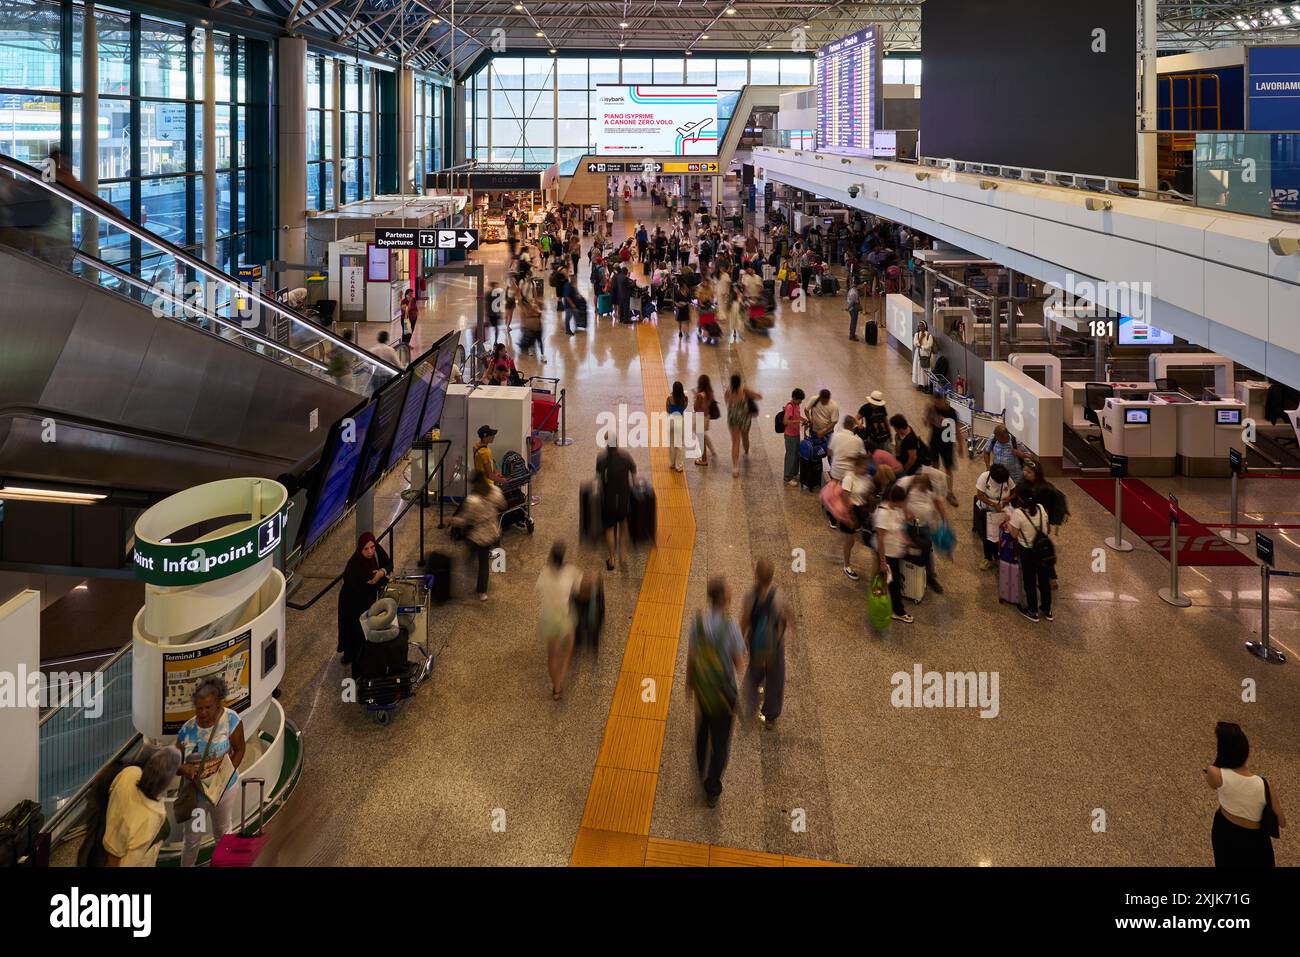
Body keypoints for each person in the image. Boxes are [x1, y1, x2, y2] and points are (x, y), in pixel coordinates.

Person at [687, 577, 746, 806]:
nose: (732, 595)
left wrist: (689, 685)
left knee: (703, 729)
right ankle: (712, 788)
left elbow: (692, 656)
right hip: (723, 694)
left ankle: (701, 765)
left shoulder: (698, 622)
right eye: (729, 592)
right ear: (722, 598)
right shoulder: (731, 627)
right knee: (721, 741)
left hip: (704, 690)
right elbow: (739, 664)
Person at [177, 677, 245, 867]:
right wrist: (185, 768)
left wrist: (225, 776)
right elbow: (174, 764)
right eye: (199, 708)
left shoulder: (231, 721)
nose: (203, 713)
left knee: (223, 834)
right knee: (192, 839)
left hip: (222, 792)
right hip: (197, 797)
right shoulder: (187, 730)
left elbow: (240, 749)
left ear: (218, 704)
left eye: (208, 707)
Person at [1203, 722, 1285, 867]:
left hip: (1224, 830)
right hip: (1255, 840)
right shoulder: (1265, 785)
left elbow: (1212, 785)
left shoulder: (1215, 773)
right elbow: (1282, 822)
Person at [101, 747, 179, 867]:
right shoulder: (149, 817)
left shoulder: (130, 773)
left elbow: (111, 791)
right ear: (166, 782)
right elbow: (114, 855)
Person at [739, 559, 793, 730]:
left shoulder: (749, 596)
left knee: (754, 673)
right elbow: (784, 620)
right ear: (772, 577)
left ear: (755, 575)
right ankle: (770, 717)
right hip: (774, 645)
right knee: (775, 678)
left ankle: (750, 707)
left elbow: (744, 621)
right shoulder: (778, 595)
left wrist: (740, 642)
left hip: (756, 642)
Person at [337, 532, 392, 670]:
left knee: (360, 628)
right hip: (352, 600)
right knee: (353, 628)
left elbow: (388, 564)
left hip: (366, 597)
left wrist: (382, 572)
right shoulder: (355, 565)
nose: (370, 551)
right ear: (360, 549)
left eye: (372, 547)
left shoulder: (377, 551)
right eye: (366, 549)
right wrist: (384, 576)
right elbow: (371, 582)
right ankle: (355, 659)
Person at [537, 541, 582, 700]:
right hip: (564, 615)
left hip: (548, 616)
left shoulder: (545, 572)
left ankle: (556, 687)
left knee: (552, 654)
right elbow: (577, 589)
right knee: (569, 645)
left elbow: (540, 589)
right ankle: (561, 678)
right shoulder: (571, 571)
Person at [451, 471, 506, 600]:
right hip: (493, 531)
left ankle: (474, 578)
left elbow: (464, 521)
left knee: (480, 560)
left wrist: (450, 520)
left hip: (478, 536)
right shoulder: (495, 491)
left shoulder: (472, 500)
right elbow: (503, 504)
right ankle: (482, 592)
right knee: (483, 562)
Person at [1005, 490, 1053, 622]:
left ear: (1020, 499)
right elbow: (1048, 529)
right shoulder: (1041, 508)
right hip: (1043, 549)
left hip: (1027, 551)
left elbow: (1014, 535)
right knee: (1044, 580)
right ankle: (1047, 609)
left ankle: (1033, 611)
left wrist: (1009, 523)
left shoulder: (1018, 513)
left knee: (1030, 580)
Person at [874, 485, 913, 624]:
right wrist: (883, 562)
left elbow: (904, 522)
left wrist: (906, 542)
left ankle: (886, 603)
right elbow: (880, 539)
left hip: (896, 551)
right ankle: (898, 611)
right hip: (888, 554)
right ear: (897, 500)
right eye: (903, 501)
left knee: (892, 582)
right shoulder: (883, 514)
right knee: (893, 583)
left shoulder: (895, 509)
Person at [597, 438, 637, 571]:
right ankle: (623, 555)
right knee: (624, 524)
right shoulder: (625, 457)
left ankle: (612, 558)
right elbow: (634, 475)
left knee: (609, 528)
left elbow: (598, 481)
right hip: (623, 499)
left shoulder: (601, 459)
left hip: (608, 500)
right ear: (617, 446)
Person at [926, 392, 963, 506]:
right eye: (934, 402)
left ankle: (950, 493)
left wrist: (960, 445)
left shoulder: (951, 412)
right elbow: (927, 423)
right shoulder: (932, 409)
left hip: (947, 443)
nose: (936, 404)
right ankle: (935, 489)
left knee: (948, 468)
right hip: (934, 441)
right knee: (935, 465)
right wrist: (929, 415)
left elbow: (957, 429)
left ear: (943, 400)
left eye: (938, 402)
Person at [974, 463, 1013, 569]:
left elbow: (1015, 491)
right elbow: (979, 495)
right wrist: (993, 504)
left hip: (1003, 512)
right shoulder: (984, 477)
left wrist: (1008, 499)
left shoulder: (1006, 477)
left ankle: (998, 556)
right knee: (988, 536)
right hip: (987, 511)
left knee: (1000, 536)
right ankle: (988, 558)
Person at [724, 373, 761, 478]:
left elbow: (727, 403)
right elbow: (757, 396)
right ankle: (746, 450)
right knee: (745, 437)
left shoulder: (728, 391)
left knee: (735, 442)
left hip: (732, 417)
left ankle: (735, 467)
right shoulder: (743, 390)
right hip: (744, 416)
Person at [828, 415, 867, 484]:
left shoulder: (835, 436)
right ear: (853, 426)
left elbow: (829, 453)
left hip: (835, 473)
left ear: (843, 424)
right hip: (850, 475)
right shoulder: (858, 440)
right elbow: (863, 457)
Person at [693, 374, 719, 467]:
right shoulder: (710, 392)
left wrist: (696, 398)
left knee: (701, 439)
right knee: (703, 435)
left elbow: (696, 408)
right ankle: (712, 450)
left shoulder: (701, 395)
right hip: (707, 417)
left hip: (701, 418)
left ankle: (703, 460)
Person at [781, 388, 805, 486]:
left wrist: (803, 419)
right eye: (799, 400)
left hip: (796, 434)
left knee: (796, 455)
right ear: (794, 398)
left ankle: (794, 473)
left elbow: (797, 417)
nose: (800, 402)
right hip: (790, 435)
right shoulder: (790, 406)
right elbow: (785, 421)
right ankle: (787, 477)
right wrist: (797, 421)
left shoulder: (797, 405)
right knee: (790, 456)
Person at [666, 381, 689, 472]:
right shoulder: (684, 399)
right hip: (680, 419)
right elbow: (685, 407)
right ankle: (679, 466)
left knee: (671, 443)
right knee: (680, 444)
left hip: (671, 420)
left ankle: (671, 463)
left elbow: (667, 409)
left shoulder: (669, 398)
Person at [912, 320, 935, 390]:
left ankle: (926, 385)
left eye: (922, 326)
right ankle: (920, 384)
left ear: (925, 327)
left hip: (926, 356)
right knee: (918, 369)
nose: (920, 328)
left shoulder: (929, 335)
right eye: (919, 326)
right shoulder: (917, 334)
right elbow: (915, 344)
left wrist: (921, 346)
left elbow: (928, 346)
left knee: (925, 370)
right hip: (918, 355)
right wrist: (921, 337)